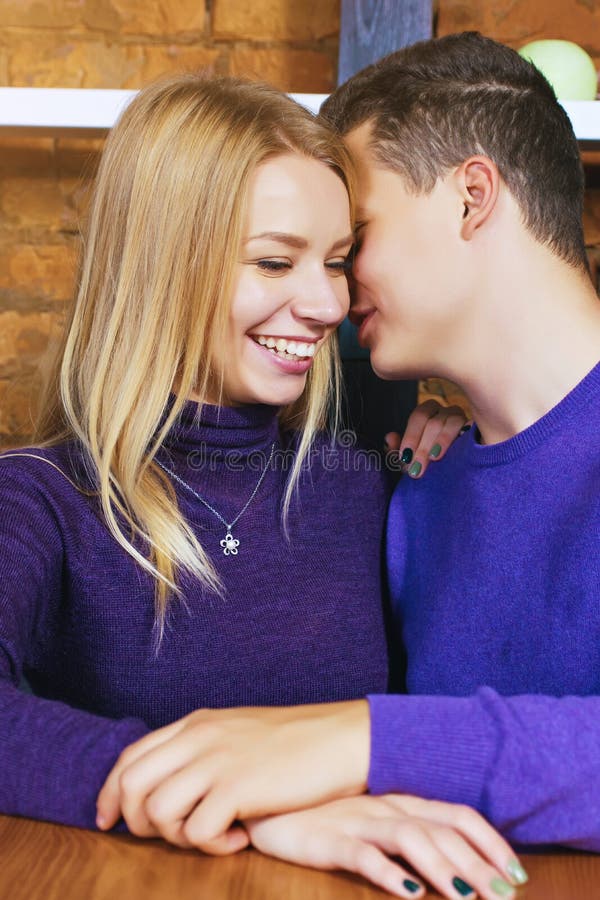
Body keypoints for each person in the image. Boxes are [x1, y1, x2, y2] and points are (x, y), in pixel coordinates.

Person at [0, 72, 517, 900]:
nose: (324, 304)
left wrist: (469, 448)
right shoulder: (40, 500)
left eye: (339, 263)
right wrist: (240, 808)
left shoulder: (373, 485)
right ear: (162, 265)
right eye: (275, 261)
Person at [94, 30, 600, 873]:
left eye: (354, 238)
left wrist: (359, 738)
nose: (333, 292)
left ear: (471, 197)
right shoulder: (416, 493)